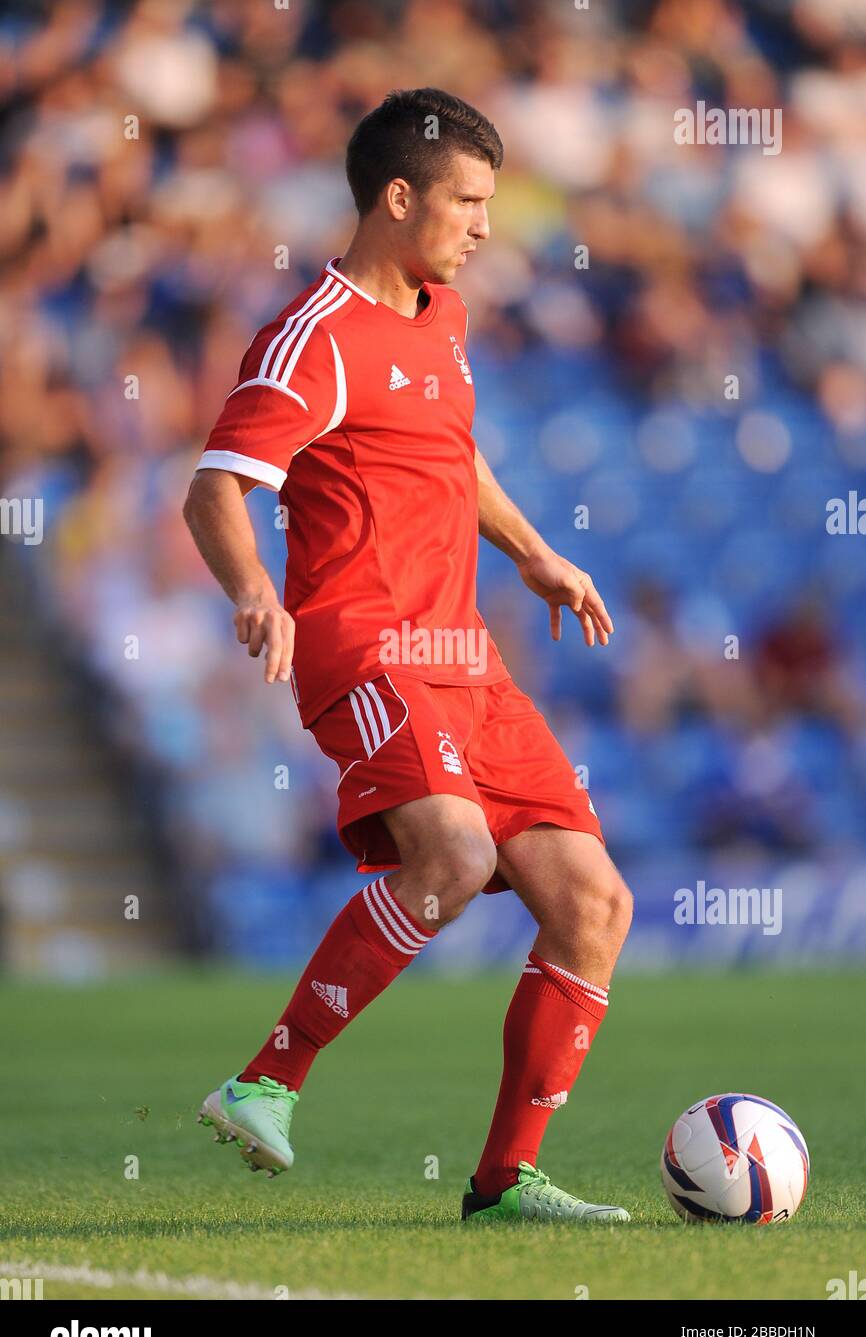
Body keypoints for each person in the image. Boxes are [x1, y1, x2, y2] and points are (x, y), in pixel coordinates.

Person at [183, 88, 633, 1223]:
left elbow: (448, 449)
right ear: (399, 197)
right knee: (451, 850)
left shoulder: (441, 316)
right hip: (365, 643)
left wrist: (531, 551)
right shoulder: (313, 335)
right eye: (469, 201)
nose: (486, 226)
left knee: (592, 901)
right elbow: (215, 489)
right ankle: (264, 1080)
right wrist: (254, 593)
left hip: (462, 653)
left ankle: (503, 1181)